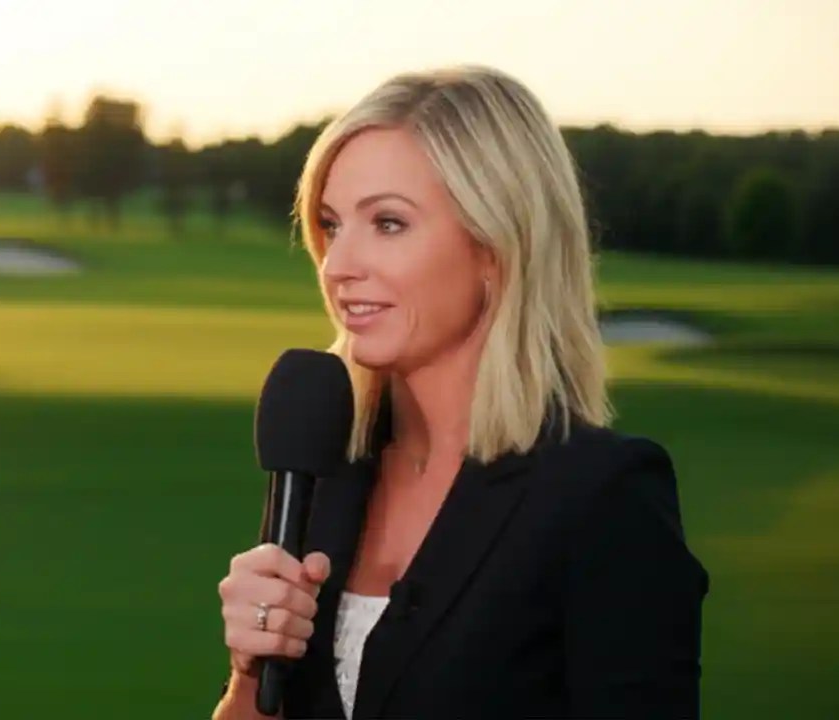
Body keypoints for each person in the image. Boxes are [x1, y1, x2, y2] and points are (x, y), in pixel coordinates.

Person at [212, 64, 709, 719]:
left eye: (387, 223)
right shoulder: (326, 481)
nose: (337, 265)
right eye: (332, 225)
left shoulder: (602, 495)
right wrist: (251, 674)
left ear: (495, 247)